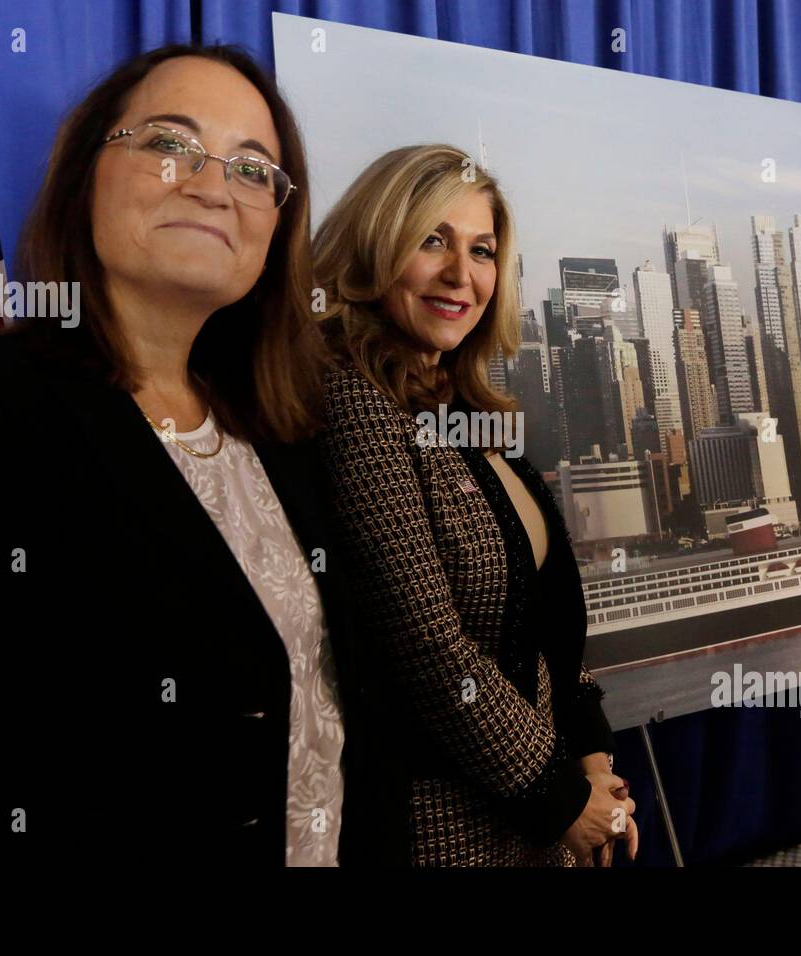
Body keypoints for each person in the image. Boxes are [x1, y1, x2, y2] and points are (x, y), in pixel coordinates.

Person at [0, 44, 362, 867]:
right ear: (82, 177)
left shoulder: (290, 436)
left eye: (253, 168)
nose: (212, 184)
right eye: (169, 144)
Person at [312, 144, 639, 866]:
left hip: (537, 810)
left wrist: (590, 762)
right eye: (433, 240)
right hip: (446, 827)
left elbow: (544, 617)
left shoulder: (465, 405)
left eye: (483, 250)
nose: (463, 274)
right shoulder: (354, 400)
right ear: (374, 244)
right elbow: (425, 646)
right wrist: (559, 800)